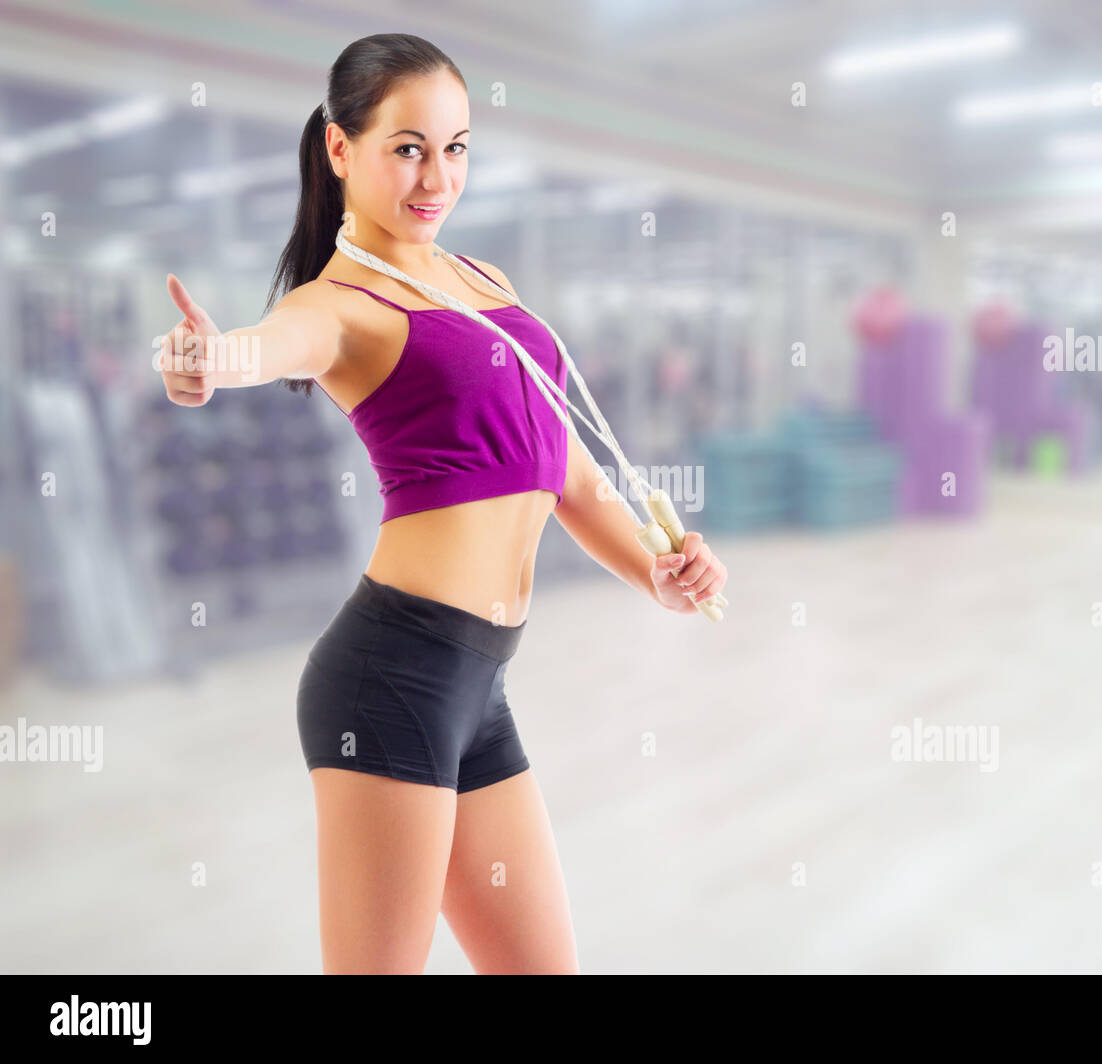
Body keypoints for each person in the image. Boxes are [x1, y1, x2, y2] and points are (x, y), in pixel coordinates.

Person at [154, 33, 727, 975]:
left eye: (455, 147)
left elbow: (571, 479)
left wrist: (654, 576)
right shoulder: (342, 305)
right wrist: (207, 360)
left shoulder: (486, 285)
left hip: (480, 688)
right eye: (407, 147)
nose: (436, 176)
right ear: (341, 150)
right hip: (390, 679)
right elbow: (265, 345)